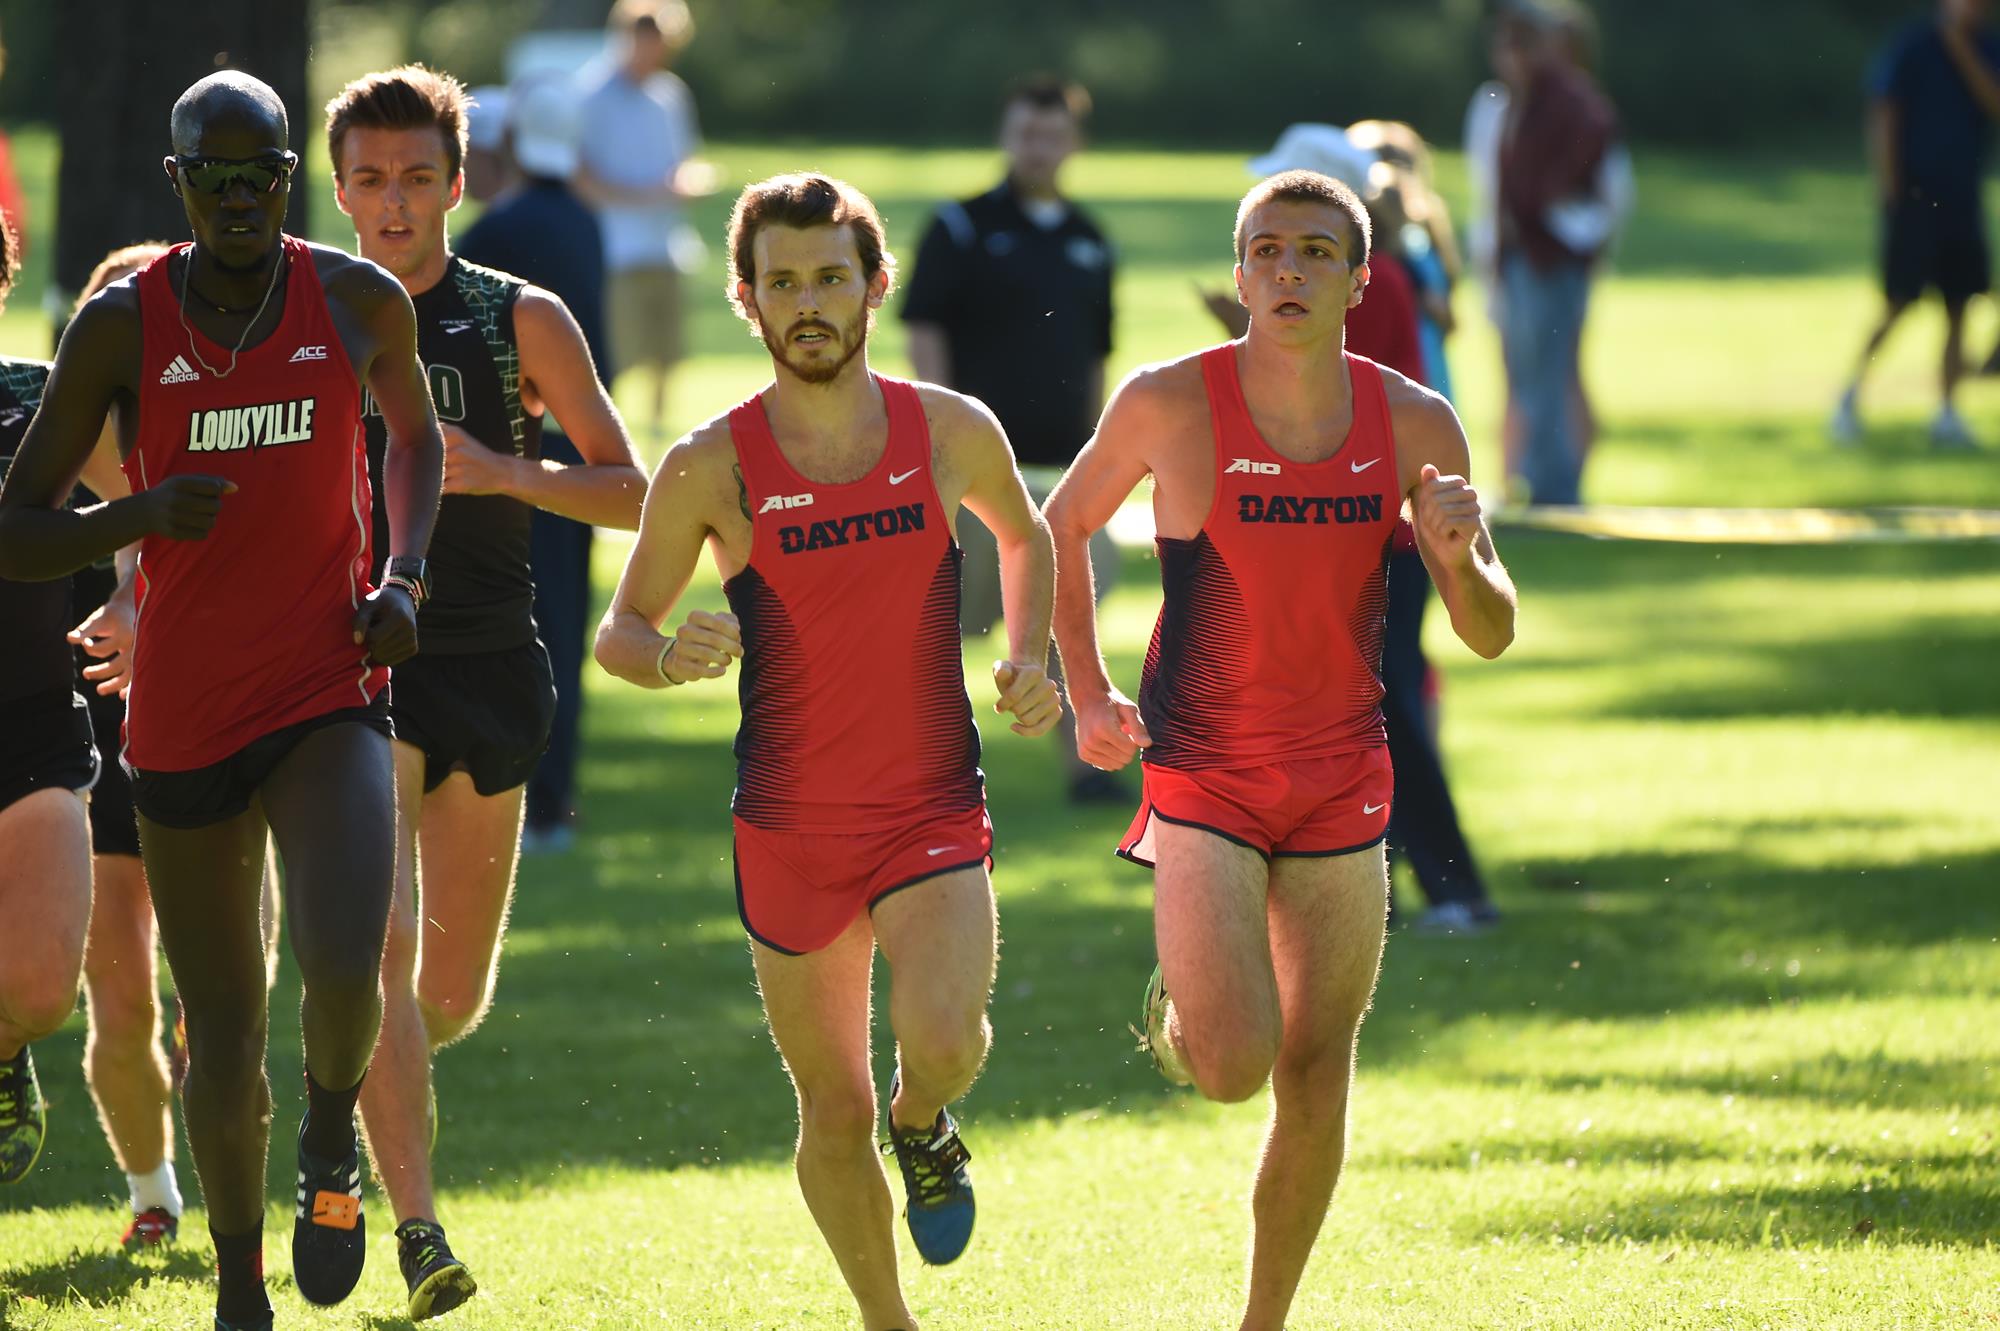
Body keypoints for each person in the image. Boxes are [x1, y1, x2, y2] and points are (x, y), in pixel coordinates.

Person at [0, 72, 443, 1331]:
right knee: (224, 1028)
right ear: (180, 185)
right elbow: (18, 529)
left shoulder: (351, 298)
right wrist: (136, 514)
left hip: (325, 684)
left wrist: (403, 576)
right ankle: (238, 1283)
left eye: (262, 177)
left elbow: (411, 440)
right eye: (217, 178)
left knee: (348, 956)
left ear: (288, 183)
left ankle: (327, 1135)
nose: (241, 199)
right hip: (183, 718)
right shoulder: (119, 326)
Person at [1043, 169, 1517, 1331]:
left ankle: (1263, 1320)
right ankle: (1189, 1006)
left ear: (1362, 279)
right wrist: (1086, 689)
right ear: (1239, 270)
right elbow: (1059, 521)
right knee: (1232, 1063)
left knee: (1316, 1065)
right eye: (1265, 249)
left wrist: (1462, 559)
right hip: (1203, 770)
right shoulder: (1168, 402)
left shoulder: (1413, 421)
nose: (1287, 269)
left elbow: (1490, 629)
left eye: (1315, 251)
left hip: (1345, 778)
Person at [595, 173, 1059, 1331]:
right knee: (828, 1105)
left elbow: (1027, 532)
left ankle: (926, 1121)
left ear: (874, 287)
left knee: (945, 1040)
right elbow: (619, 628)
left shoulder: (948, 430)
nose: (808, 302)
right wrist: (667, 656)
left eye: (829, 278)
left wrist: (1033, 652)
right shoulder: (711, 465)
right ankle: (883, 1318)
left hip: (929, 805)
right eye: (782, 282)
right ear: (746, 301)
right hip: (790, 830)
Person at [324, 63, 644, 1320]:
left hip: (495, 664)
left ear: (460, 182)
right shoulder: (303, 320)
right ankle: (415, 1225)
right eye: (368, 181)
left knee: (444, 999)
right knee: (383, 951)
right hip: (358, 667)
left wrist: (508, 472)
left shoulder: (522, 318)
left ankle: (351, 1069)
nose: (393, 203)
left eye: (415, 178)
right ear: (337, 191)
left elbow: (632, 487)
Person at [58, 240, 286, 1250]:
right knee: (116, 994)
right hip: (101, 738)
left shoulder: (238, 437)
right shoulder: (61, 440)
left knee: (232, 991)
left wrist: (141, 598)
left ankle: (240, 1176)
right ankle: (155, 1195)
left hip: (225, 726)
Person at [901, 77, 1120, 801]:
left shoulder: (1090, 239)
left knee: (1064, 616)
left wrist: (1098, 461)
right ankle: (921, 766)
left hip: (1059, 471)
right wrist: (939, 441)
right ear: (1006, 136)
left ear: (1075, 143)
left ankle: (1085, 769)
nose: (1039, 148)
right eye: (1027, 133)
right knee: (941, 629)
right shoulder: (960, 227)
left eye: (1053, 135)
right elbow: (923, 328)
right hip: (975, 473)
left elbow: (1095, 359)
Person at [458, 76, 617, 854]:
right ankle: (552, 797)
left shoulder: (498, 231)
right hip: (580, 455)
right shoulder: (585, 219)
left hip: (516, 457)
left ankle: (535, 800)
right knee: (560, 617)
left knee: (533, 623)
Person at [0, 206, 122, 1194]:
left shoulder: (39, 402)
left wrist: (135, 594)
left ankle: (6, 1053)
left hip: (33, 721)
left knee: (40, 990)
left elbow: (147, 503)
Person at [1837, 0, 2000, 448]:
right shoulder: (1912, 46)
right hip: (1913, 197)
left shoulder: (1986, 47)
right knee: (1899, 300)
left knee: (1959, 304)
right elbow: (1885, 111)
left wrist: (1963, 52)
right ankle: (1849, 396)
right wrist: (1890, 188)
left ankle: (1947, 412)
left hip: (1962, 196)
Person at [1494, 0, 1619, 504]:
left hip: (1552, 261)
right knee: (1529, 375)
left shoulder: (1567, 100)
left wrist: (1541, 202)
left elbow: (1585, 161)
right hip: (1525, 257)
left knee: (1549, 376)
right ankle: (1537, 480)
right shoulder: (1522, 99)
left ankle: (1556, 492)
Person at [576, 0, 710, 440]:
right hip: (615, 247)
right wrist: (644, 195)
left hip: (667, 242)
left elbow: (685, 159)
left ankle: (657, 434)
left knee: (666, 351)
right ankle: (614, 431)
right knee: (617, 350)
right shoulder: (592, 95)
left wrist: (686, 183)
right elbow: (580, 175)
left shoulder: (670, 95)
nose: (654, 53)